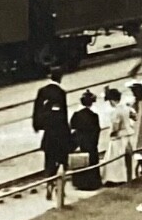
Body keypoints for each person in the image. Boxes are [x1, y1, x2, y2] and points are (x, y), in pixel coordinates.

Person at [31, 67, 71, 198]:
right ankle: (60, 189)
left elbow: (36, 109)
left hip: (48, 134)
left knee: (49, 160)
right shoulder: (61, 93)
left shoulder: (42, 91)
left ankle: (49, 183)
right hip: (60, 134)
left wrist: (37, 125)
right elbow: (64, 115)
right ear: (60, 78)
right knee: (62, 161)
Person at [69, 91, 103, 192]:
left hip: (80, 142)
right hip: (91, 143)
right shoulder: (94, 116)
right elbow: (97, 130)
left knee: (80, 162)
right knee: (92, 160)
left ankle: (80, 183)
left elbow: (71, 127)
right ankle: (92, 183)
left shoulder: (76, 114)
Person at [102, 87, 135, 186]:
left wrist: (112, 132)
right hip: (128, 134)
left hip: (119, 137)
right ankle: (128, 176)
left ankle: (116, 179)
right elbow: (135, 116)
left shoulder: (116, 111)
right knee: (127, 158)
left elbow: (116, 126)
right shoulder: (126, 107)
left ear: (112, 101)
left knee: (115, 159)